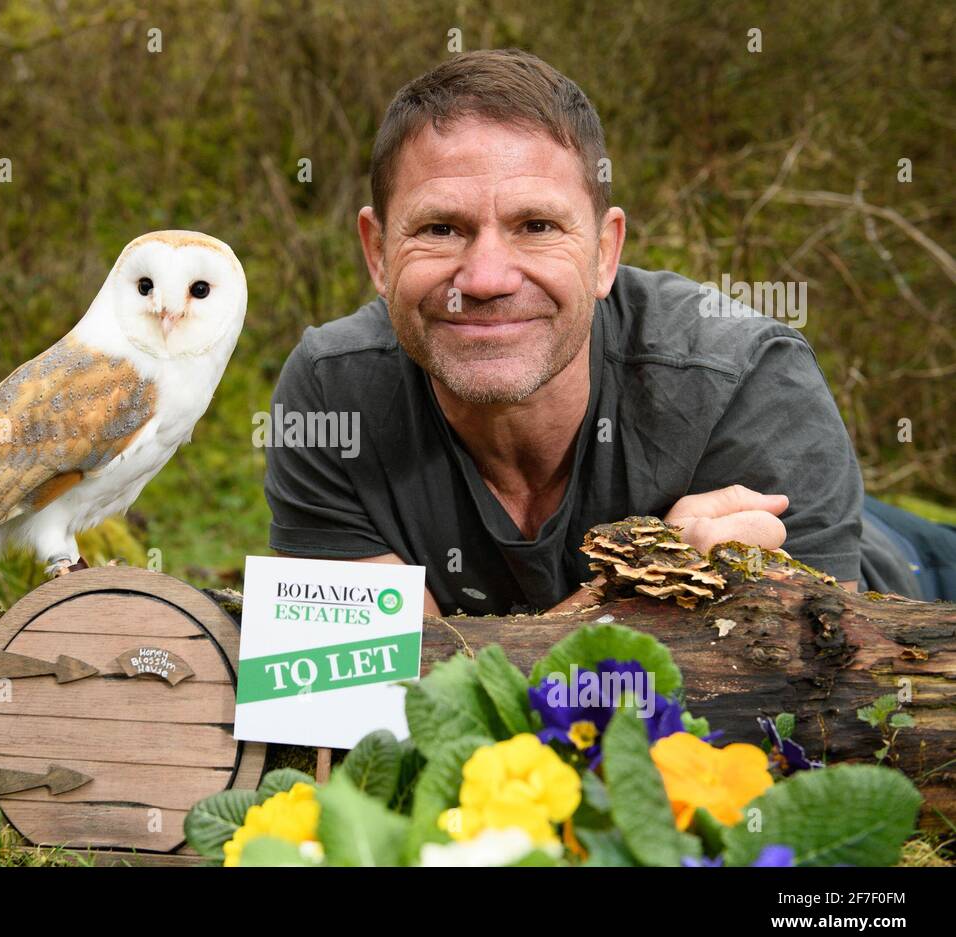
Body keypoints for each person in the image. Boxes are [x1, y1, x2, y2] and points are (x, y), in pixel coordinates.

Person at [263, 48, 953, 617]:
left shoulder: (746, 378)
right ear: (378, 253)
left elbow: (813, 696)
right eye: (442, 228)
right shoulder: (331, 395)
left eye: (537, 226)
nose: (487, 277)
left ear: (604, 252)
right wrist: (648, 583)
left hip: (919, 581)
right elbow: (374, 693)